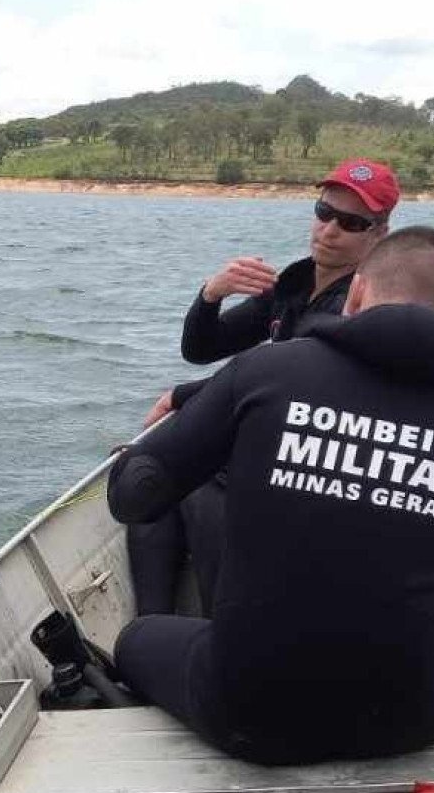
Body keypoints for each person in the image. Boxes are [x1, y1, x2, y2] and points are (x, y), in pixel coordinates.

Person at [107, 226, 434, 766]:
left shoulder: (267, 371)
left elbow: (136, 497)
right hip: (403, 722)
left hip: (241, 712)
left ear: (358, 293)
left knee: (136, 638)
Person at [133, 158, 401, 617]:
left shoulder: (364, 303)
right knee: (149, 485)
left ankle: (224, 632)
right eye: (324, 211)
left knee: (200, 487)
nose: (329, 230)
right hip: (266, 434)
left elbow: (287, 382)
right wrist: (211, 295)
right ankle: (146, 631)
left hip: (311, 459)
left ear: (379, 232)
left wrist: (182, 397)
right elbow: (203, 348)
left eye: (351, 222)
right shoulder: (293, 286)